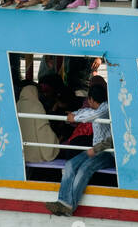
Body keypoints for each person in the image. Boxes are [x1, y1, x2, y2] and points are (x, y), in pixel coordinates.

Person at [44, 78, 113, 216]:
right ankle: (63, 202)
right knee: (70, 164)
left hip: (107, 152)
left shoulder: (105, 108)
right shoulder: (97, 108)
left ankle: (69, 205)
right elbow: (86, 111)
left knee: (84, 169)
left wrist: (74, 118)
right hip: (95, 150)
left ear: (91, 99)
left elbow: (92, 115)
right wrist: (75, 114)